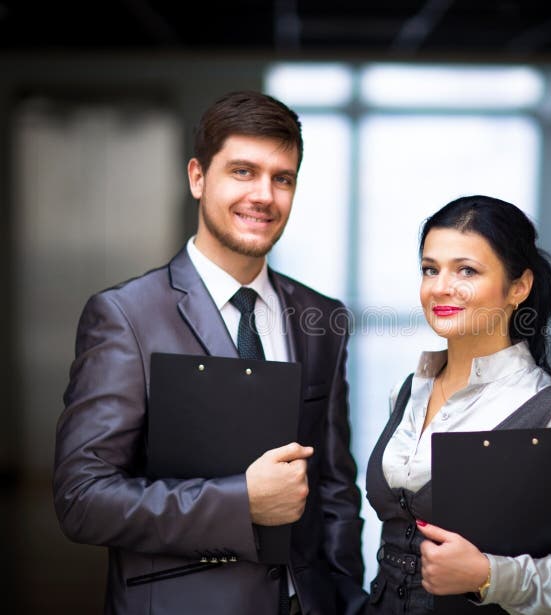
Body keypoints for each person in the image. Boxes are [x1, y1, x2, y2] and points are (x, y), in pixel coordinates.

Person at [53, 90, 368, 615]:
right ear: (198, 177)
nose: (264, 195)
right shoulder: (127, 317)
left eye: (282, 177)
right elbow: (82, 499)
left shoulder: (322, 318)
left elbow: (335, 486)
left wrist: (346, 597)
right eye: (243, 171)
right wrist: (241, 503)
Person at [365, 195, 551, 614]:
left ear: (518, 287)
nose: (441, 286)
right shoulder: (408, 390)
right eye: (431, 269)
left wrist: (488, 574)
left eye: (467, 270)